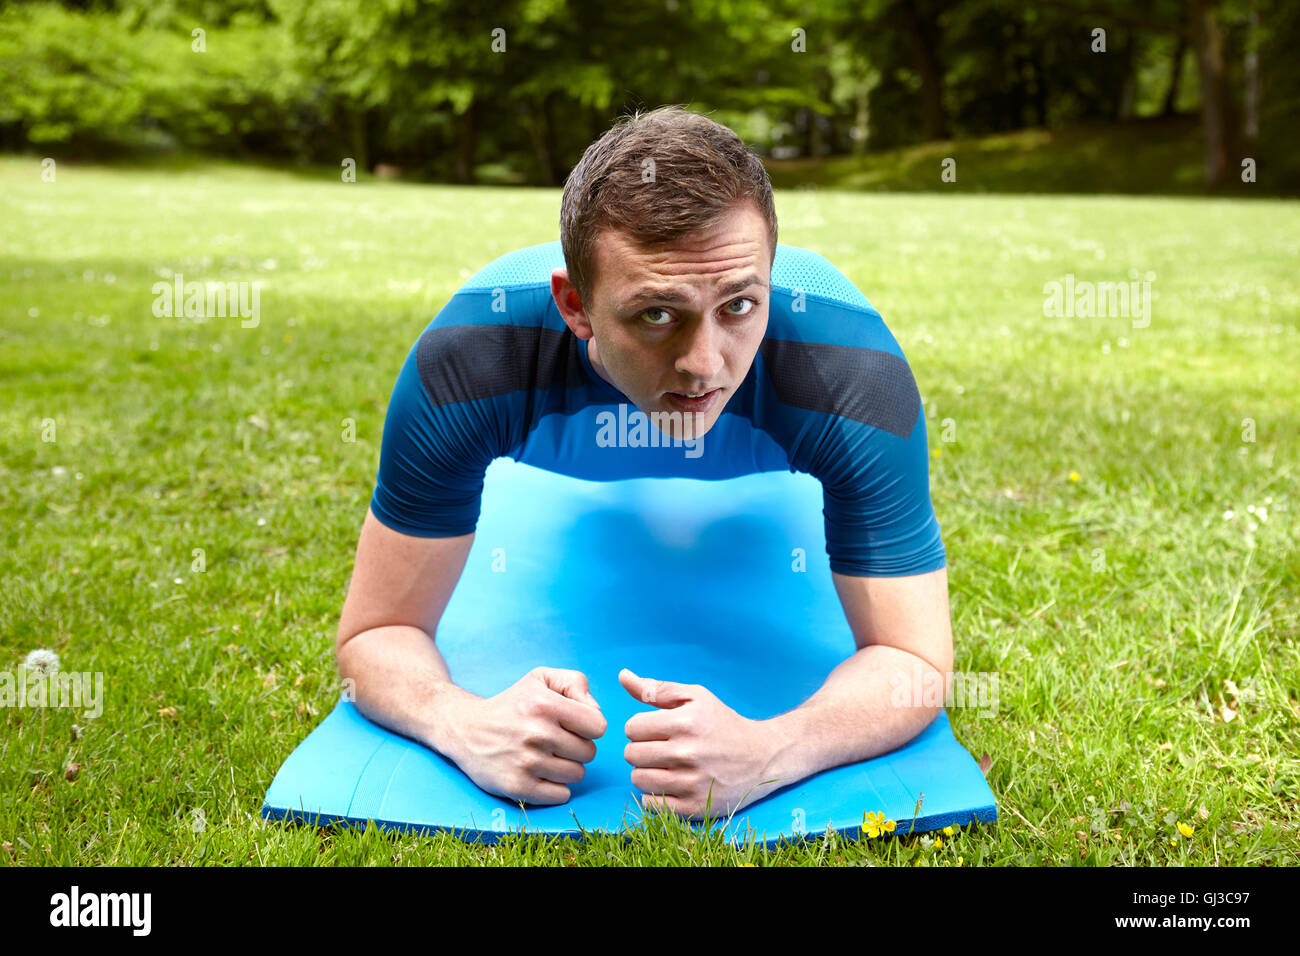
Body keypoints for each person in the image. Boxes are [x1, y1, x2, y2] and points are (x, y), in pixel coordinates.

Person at [335, 105, 955, 821]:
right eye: (656, 314)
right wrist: (463, 724)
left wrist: (769, 751)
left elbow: (916, 662)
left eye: (739, 304)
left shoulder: (852, 375)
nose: (703, 365)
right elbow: (374, 632)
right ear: (575, 306)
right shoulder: (472, 359)